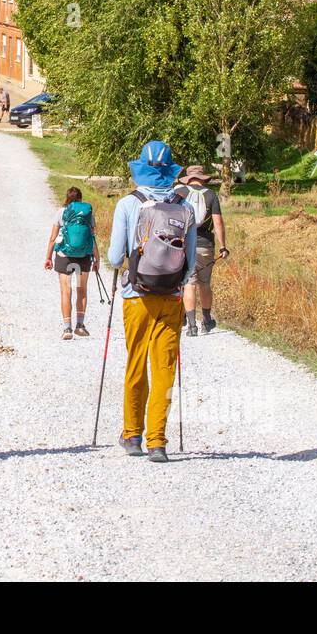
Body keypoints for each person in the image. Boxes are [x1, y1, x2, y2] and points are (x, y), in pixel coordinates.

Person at [106, 140, 196, 463]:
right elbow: (190, 263)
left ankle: (132, 435)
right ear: (171, 171)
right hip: (171, 298)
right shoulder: (185, 209)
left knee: (136, 365)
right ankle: (157, 441)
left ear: (142, 167)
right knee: (164, 370)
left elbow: (116, 256)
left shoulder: (128, 205)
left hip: (136, 298)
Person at [176, 165, 228, 337]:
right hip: (205, 244)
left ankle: (191, 325)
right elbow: (218, 222)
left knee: (189, 283)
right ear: (202, 178)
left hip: (184, 243)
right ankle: (206, 320)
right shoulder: (210, 195)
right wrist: (222, 246)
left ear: (188, 178)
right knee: (204, 283)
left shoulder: (179, 193)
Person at [44, 187, 99, 339]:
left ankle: (67, 328)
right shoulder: (87, 213)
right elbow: (93, 237)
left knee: (65, 290)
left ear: (67, 198)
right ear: (80, 199)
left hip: (64, 255)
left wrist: (48, 258)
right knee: (81, 289)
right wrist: (97, 259)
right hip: (84, 256)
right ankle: (80, 325)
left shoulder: (61, 212)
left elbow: (52, 239)